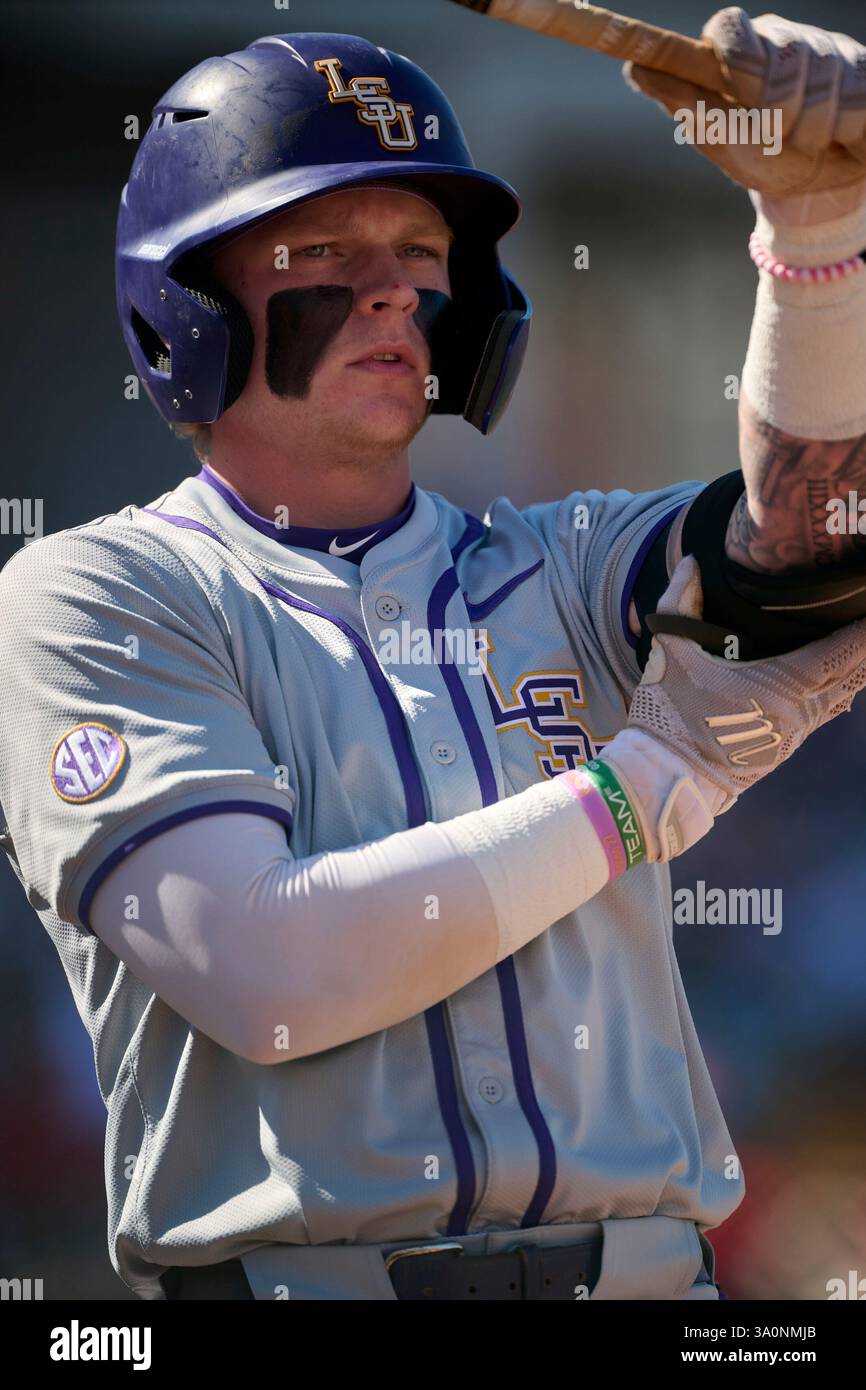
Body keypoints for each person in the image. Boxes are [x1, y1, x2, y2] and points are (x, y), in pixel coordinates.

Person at [2, 17, 866, 1301]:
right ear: (184, 300)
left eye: (419, 250)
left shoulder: (561, 561)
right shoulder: (98, 594)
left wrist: (817, 238)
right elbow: (265, 968)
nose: (396, 286)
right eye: (324, 247)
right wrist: (642, 787)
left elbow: (810, 540)